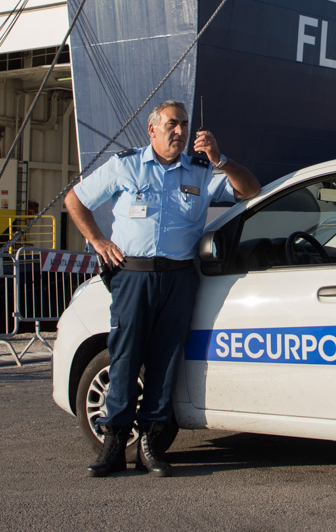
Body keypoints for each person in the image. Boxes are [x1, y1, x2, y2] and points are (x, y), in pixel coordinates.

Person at [64, 100, 259, 477]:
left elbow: (250, 190)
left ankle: (151, 445)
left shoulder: (201, 170)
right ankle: (114, 444)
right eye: (172, 124)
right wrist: (99, 242)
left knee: (166, 359)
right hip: (132, 275)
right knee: (124, 357)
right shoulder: (125, 165)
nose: (181, 131)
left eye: (185, 124)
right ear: (151, 129)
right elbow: (76, 200)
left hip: (179, 277)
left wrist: (221, 159)